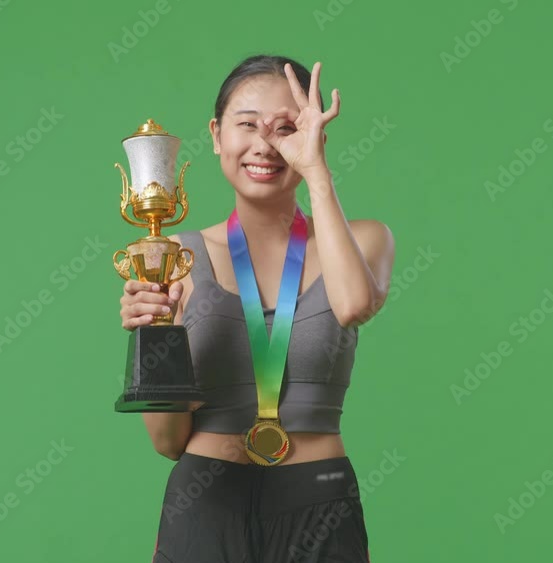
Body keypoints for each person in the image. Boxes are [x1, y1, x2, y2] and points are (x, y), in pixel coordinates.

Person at [119, 54, 395, 563]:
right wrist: (154, 334)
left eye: (288, 127)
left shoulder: (364, 239)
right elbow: (167, 440)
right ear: (217, 134)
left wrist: (316, 172)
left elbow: (354, 305)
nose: (265, 144)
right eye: (247, 125)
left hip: (321, 500)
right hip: (204, 503)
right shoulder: (169, 259)